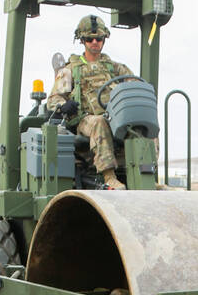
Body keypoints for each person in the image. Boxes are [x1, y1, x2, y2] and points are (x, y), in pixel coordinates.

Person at [46, 15, 134, 190]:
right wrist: (63, 105)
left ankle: (145, 173)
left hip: (115, 118)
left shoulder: (115, 68)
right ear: (82, 40)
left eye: (99, 39)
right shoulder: (71, 70)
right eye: (89, 39)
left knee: (142, 125)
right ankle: (109, 176)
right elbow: (53, 99)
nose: (95, 42)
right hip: (85, 120)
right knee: (98, 123)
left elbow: (135, 85)